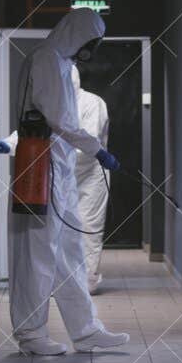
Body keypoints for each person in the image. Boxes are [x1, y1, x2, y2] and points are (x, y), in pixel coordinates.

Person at [0, 9, 128, 356]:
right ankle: (31, 334)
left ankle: (86, 331)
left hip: (60, 174)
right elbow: (59, 120)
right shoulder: (46, 61)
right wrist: (98, 151)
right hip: (41, 172)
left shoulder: (63, 64)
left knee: (70, 256)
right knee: (36, 255)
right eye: (90, 43)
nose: (91, 50)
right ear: (76, 34)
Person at [72, 66, 111, 293]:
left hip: (92, 176)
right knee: (62, 229)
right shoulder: (55, 107)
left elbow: (89, 143)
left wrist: (52, 151)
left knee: (88, 228)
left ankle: (87, 282)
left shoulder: (92, 103)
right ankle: (67, 281)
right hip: (65, 175)